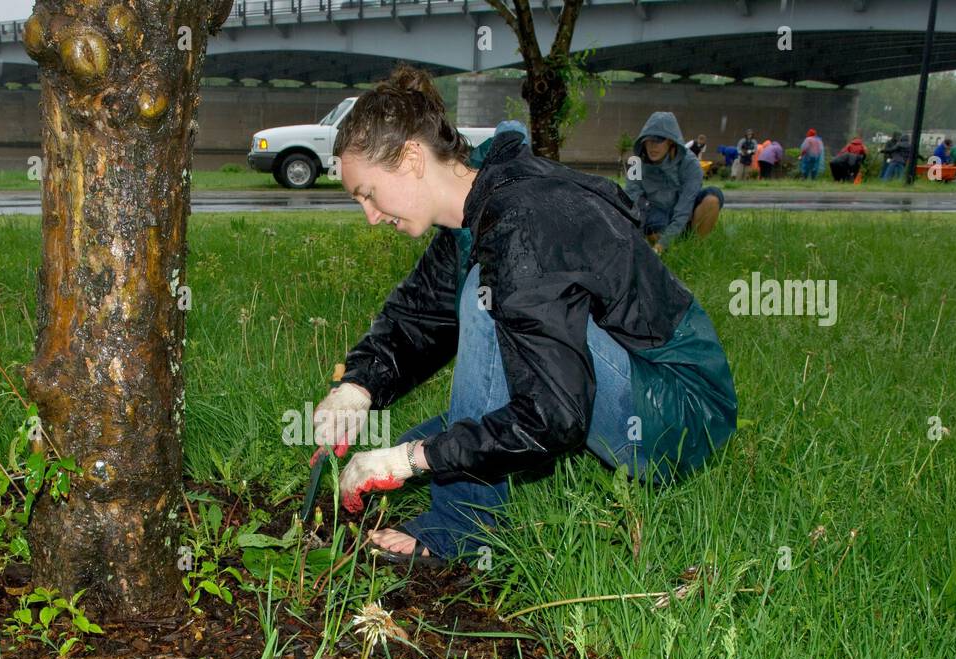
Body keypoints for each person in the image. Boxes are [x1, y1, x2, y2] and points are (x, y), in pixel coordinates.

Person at [310, 67, 737, 564]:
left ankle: (463, 530)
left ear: (410, 158)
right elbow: (420, 313)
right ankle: (450, 489)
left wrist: (410, 459)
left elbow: (555, 417)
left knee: (482, 301)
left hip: (680, 412)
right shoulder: (478, 209)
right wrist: (357, 388)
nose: (370, 216)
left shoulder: (524, 222)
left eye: (368, 194)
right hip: (597, 384)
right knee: (416, 453)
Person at [624, 112, 724, 252]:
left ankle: (695, 248)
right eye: (649, 140)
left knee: (712, 199)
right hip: (655, 213)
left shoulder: (691, 165)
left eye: (659, 141)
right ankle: (669, 241)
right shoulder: (635, 163)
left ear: (671, 141)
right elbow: (630, 199)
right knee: (653, 233)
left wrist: (662, 245)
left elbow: (684, 208)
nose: (653, 146)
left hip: (685, 213)